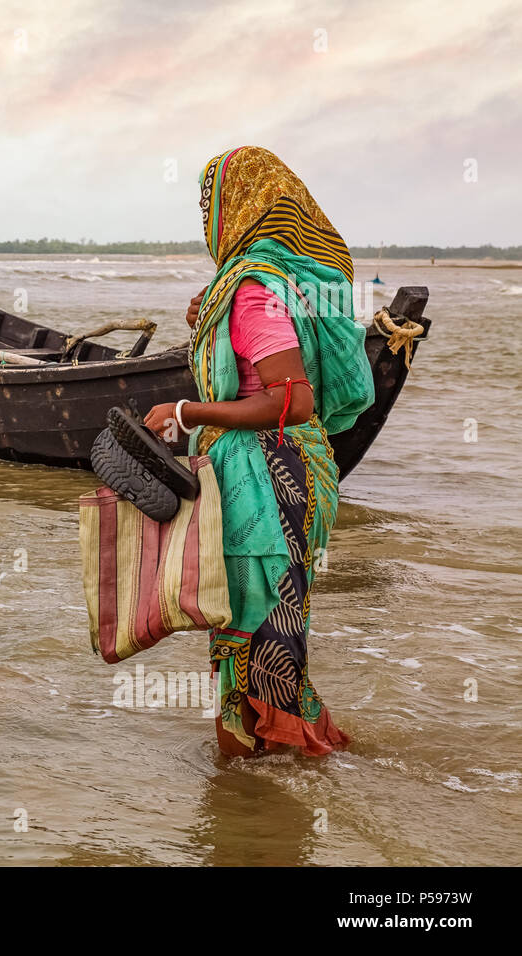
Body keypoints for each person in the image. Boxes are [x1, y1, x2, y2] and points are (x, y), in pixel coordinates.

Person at [143, 146, 374, 757]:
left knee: (248, 634)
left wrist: (184, 414)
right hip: (297, 470)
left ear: (237, 207)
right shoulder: (289, 281)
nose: (206, 220)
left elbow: (292, 397)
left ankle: (251, 785)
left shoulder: (250, 289)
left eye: (208, 204)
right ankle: (283, 781)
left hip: (265, 479)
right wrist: (210, 318)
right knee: (272, 629)